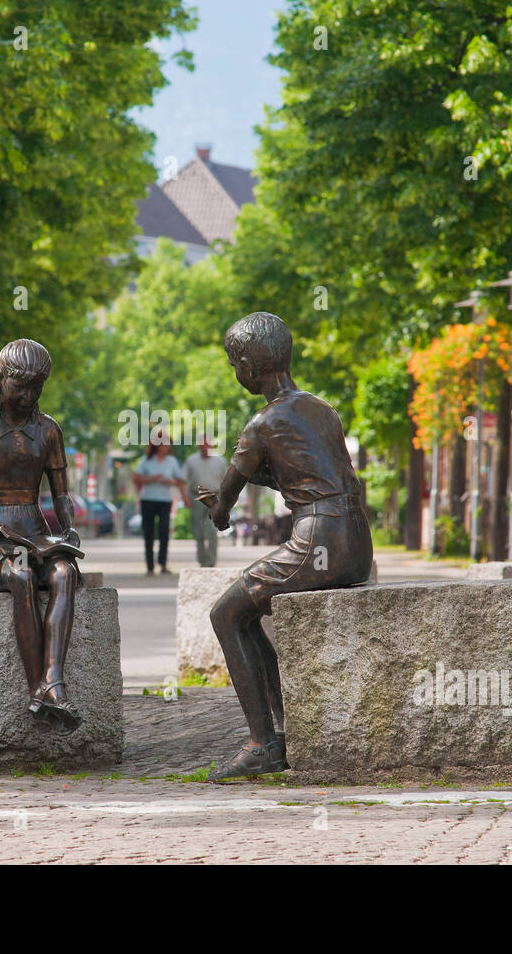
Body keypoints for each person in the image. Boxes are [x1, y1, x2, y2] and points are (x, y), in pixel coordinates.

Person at [197, 312, 372, 780]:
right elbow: (311, 478)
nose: (236, 373)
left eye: (235, 363)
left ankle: (262, 744)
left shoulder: (262, 424)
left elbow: (223, 505)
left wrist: (218, 507)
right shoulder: (320, 409)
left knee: (225, 613)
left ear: (249, 366)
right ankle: (282, 725)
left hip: (319, 541)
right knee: (245, 613)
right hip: (357, 541)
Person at [0, 339, 84, 731]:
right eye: (20, 387)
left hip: (34, 532)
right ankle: (35, 690)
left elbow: (61, 494)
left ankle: (54, 683)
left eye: (36, 389)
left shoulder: (49, 430)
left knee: (64, 574)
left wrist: (68, 528)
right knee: (22, 576)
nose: (28, 397)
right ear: (0, 379)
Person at [132, 432, 189, 575]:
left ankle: (163, 564)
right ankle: (150, 566)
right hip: (148, 500)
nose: (166, 446)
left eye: (168, 443)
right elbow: (136, 478)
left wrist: (172, 483)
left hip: (165, 500)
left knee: (164, 531)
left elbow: (179, 481)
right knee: (149, 533)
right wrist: (152, 479)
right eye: (163, 443)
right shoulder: (146, 460)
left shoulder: (172, 461)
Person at [182, 434, 228, 567]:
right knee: (199, 531)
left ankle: (211, 560)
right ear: (198, 446)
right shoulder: (191, 461)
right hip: (196, 496)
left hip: (214, 497)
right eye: (202, 445)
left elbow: (227, 481)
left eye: (207, 444)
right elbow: (182, 479)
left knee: (212, 529)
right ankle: (202, 560)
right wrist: (185, 498)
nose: (204, 447)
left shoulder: (220, 461)